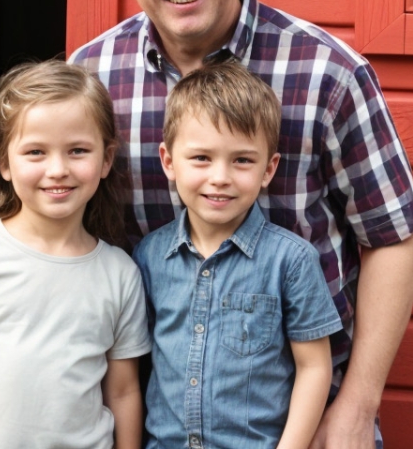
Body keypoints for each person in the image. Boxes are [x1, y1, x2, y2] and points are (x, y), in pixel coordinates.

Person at [70, 0, 413, 449]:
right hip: (149, 423)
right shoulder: (91, 77)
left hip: (299, 424)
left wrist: (357, 406)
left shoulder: (327, 73)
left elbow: (390, 236)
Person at [0, 61, 150, 449]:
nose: (57, 169)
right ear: (3, 162)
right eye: (35, 151)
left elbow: (122, 392)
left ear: (106, 159)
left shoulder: (120, 273)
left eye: (78, 151)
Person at [134, 60, 337, 449]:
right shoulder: (149, 256)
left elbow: (314, 367)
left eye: (242, 160)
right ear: (168, 161)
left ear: (268, 169)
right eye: (201, 158)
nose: (221, 177)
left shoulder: (290, 261)